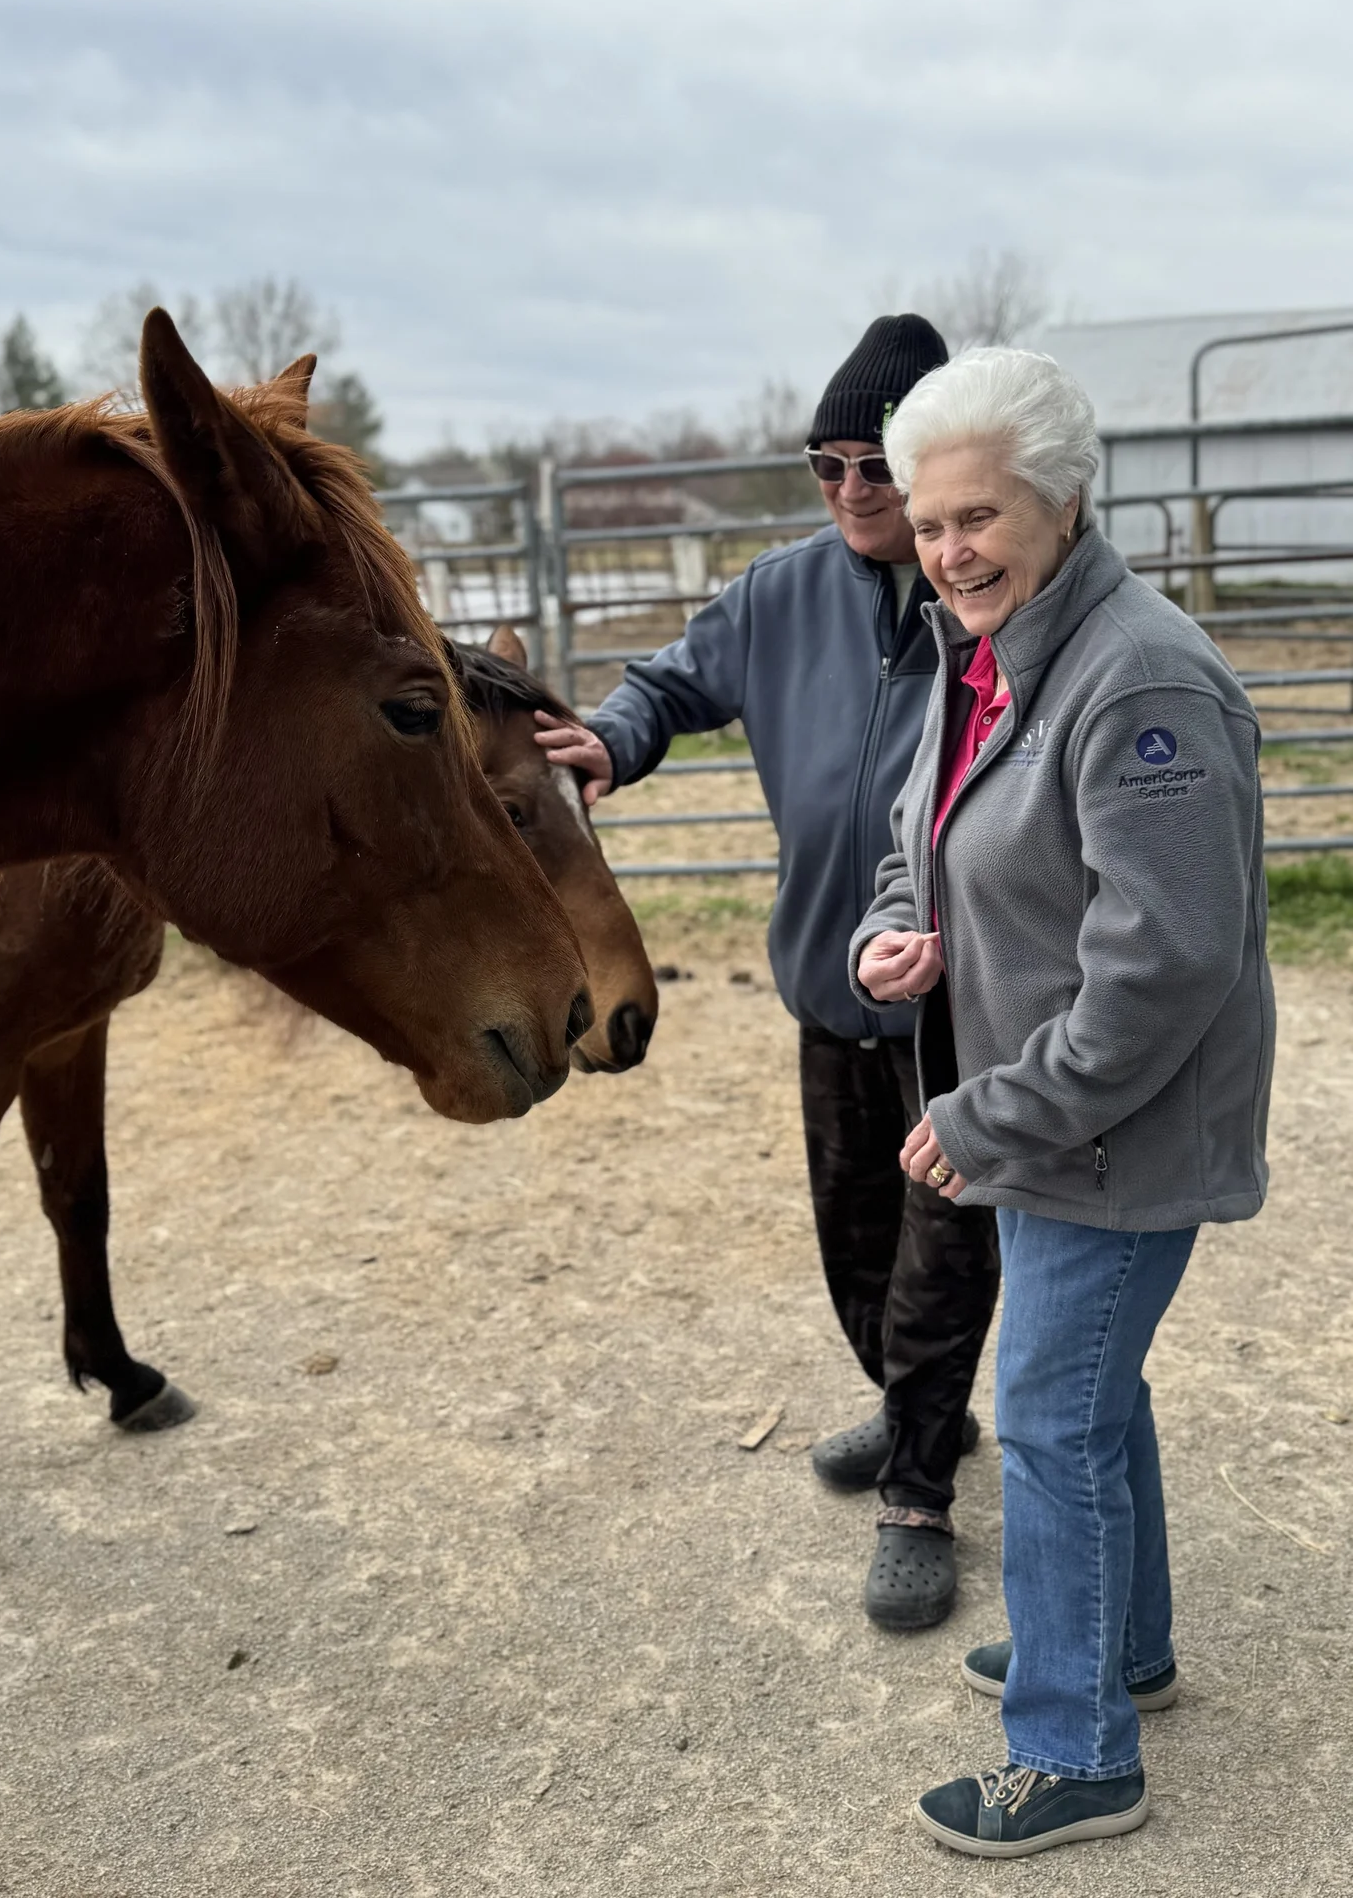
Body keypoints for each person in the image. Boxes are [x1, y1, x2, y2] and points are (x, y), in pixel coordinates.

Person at [851, 346, 1274, 1857]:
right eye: (926, 516)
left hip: (1109, 1128)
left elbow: (1160, 969)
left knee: (1045, 1411)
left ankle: (1078, 1749)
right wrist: (894, 939)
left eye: (979, 515)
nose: (947, 548)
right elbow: (929, 842)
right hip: (1050, 1121)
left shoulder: (1137, 676)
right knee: (1088, 1397)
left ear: (1064, 499)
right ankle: (1114, 1653)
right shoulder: (997, 649)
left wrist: (986, 1116)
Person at [534, 315, 1000, 1630]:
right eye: (827, 463)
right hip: (826, 989)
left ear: (936, 462)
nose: (854, 491)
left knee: (943, 1253)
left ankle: (917, 1488)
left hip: (959, 1004)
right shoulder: (782, 593)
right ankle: (921, 1400)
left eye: (880, 464)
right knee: (855, 1248)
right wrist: (611, 744)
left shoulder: (990, 598)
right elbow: (672, 682)